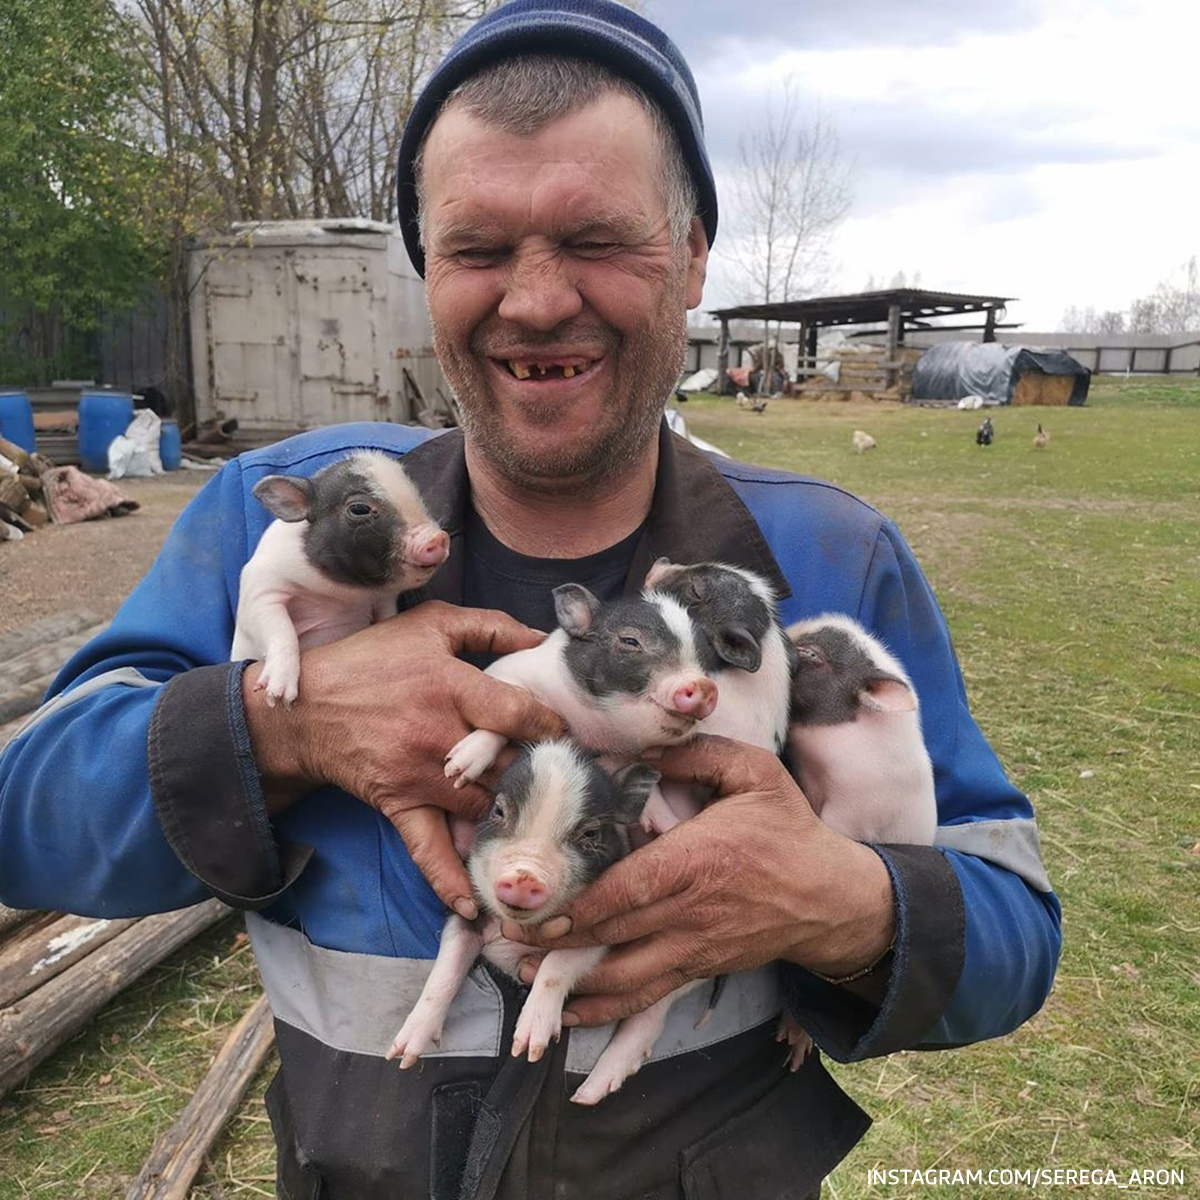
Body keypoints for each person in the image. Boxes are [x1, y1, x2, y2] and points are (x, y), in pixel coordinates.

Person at [0, 2, 1061, 1197]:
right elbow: (24, 817)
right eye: (480, 248)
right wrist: (278, 724)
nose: (538, 299)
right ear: (426, 267)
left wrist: (848, 904)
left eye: (597, 239)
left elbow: (1013, 930)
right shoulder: (270, 515)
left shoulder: (825, 559)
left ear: (696, 252)